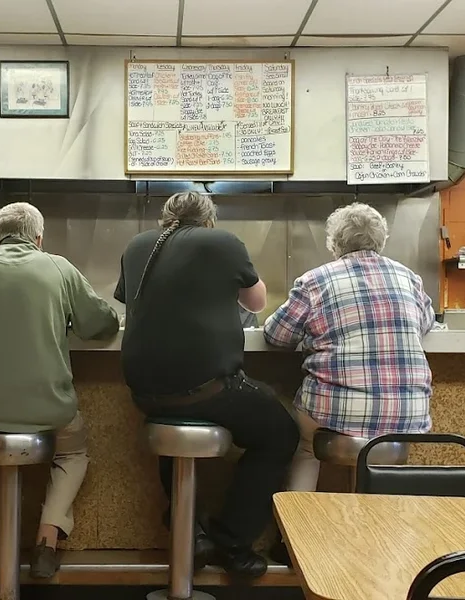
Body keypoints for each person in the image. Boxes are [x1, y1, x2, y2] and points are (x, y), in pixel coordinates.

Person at [0, 202, 119, 583]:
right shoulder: (59, 268)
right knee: (73, 451)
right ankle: (47, 541)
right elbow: (103, 324)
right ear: (39, 238)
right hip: (49, 414)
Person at [114, 191, 299, 579]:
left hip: (146, 393)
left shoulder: (137, 244)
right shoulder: (223, 242)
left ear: (167, 218)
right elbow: (257, 302)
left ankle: (190, 530)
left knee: (176, 419)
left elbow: (126, 299)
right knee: (280, 434)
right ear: (208, 219)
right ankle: (232, 540)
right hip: (209, 387)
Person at [264, 202, 435, 495]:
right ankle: (382, 537)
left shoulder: (315, 280)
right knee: (384, 451)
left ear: (334, 243)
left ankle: (295, 534)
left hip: (336, 410)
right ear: (381, 240)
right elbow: (426, 322)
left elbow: (276, 335)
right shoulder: (409, 277)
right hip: (406, 414)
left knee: (305, 447)